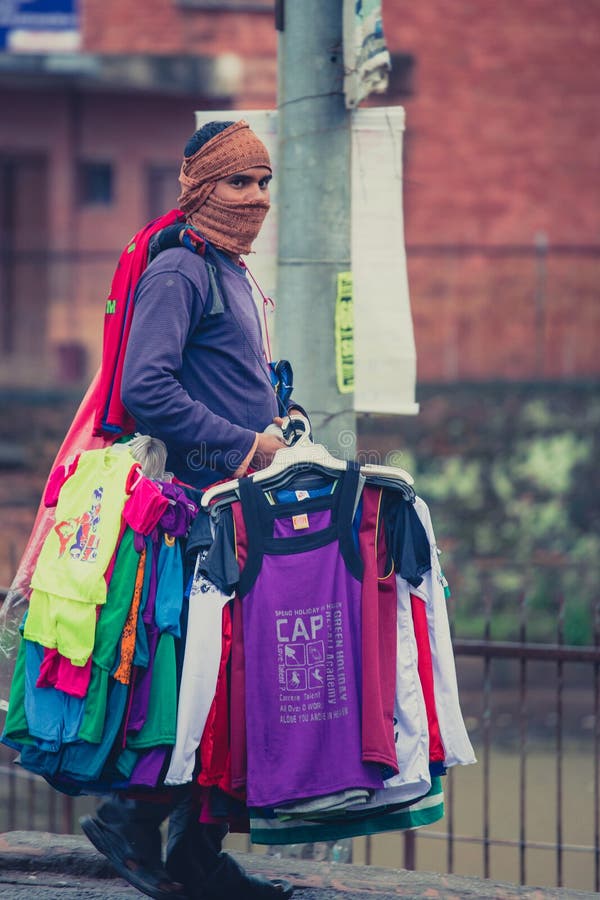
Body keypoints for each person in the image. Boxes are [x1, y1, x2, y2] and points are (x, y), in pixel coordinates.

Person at [80, 120, 295, 900]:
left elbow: (228, 380)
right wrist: (248, 443)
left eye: (265, 182)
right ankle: (129, 821)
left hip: (241, 501)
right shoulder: (181, 271)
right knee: (199, 678)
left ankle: (196, 854)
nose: (257, 198)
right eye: (240, 182)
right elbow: (147, 391)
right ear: (199, 186)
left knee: (239, 682)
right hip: (196, 515)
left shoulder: (234, 272)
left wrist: (281, 416)